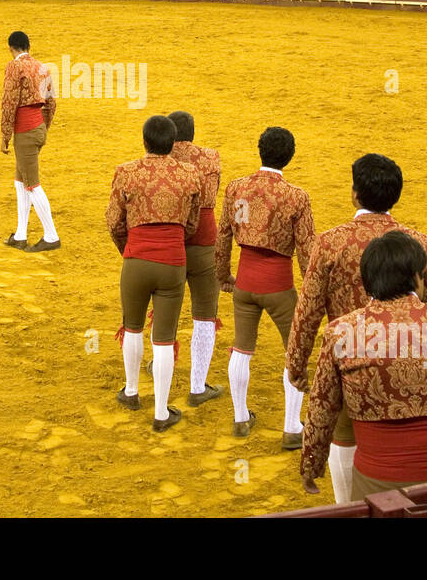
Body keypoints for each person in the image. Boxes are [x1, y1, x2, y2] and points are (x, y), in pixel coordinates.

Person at [285, 153, 427, 500]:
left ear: (354, 194)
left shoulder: (328, 243)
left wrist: (296, 366)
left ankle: (347, 507)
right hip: (409, 358)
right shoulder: (421, 243)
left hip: (351, 359)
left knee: (344, 434)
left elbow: (308, 311)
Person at [300, 231, 427, 499]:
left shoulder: (341, 332)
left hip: (378, 482)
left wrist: (311, 464)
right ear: (418, 278)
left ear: (367, 282)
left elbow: (322, 408)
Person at [216, 127, 315, 447]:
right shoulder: (296, 196)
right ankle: (291, 427)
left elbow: (223, 237)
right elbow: (307, 250)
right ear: (290, 156)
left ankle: (240, 418)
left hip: (244, 283)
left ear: (260, 151)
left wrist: (223, 277)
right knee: (295, 352)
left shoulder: (236, 189)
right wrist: (313, 294)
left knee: (241, 348)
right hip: (279, 286)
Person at [106, 115, 203, 431]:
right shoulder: (189, 175)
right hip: (173, 261)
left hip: (136, 258)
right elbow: (192, 224)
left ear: (145, 141)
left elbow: (114, 222)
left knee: (132, 327)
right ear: (173, 145)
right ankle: (161, 412)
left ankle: (131, 392)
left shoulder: (126, 172)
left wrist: (129, 250)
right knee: (164, 339)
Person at [165, 110, 224, 405]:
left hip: (170, 237)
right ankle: (198, 387)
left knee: (165, 304)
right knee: (204, 313)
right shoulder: (211, 157)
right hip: (204, 238)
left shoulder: (162, 160)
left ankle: (162, 362)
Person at [0, 31, 59, 252]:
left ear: (11, 48)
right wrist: (43, 127)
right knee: (20, 181)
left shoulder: (14, 67)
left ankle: (51, 236)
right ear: (28, 47)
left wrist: (5, 136)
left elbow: (9, 103)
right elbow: (51, 102)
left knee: (32, 185)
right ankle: (21, 234)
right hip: (37, 128)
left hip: (25, 131)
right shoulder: (43, 67)